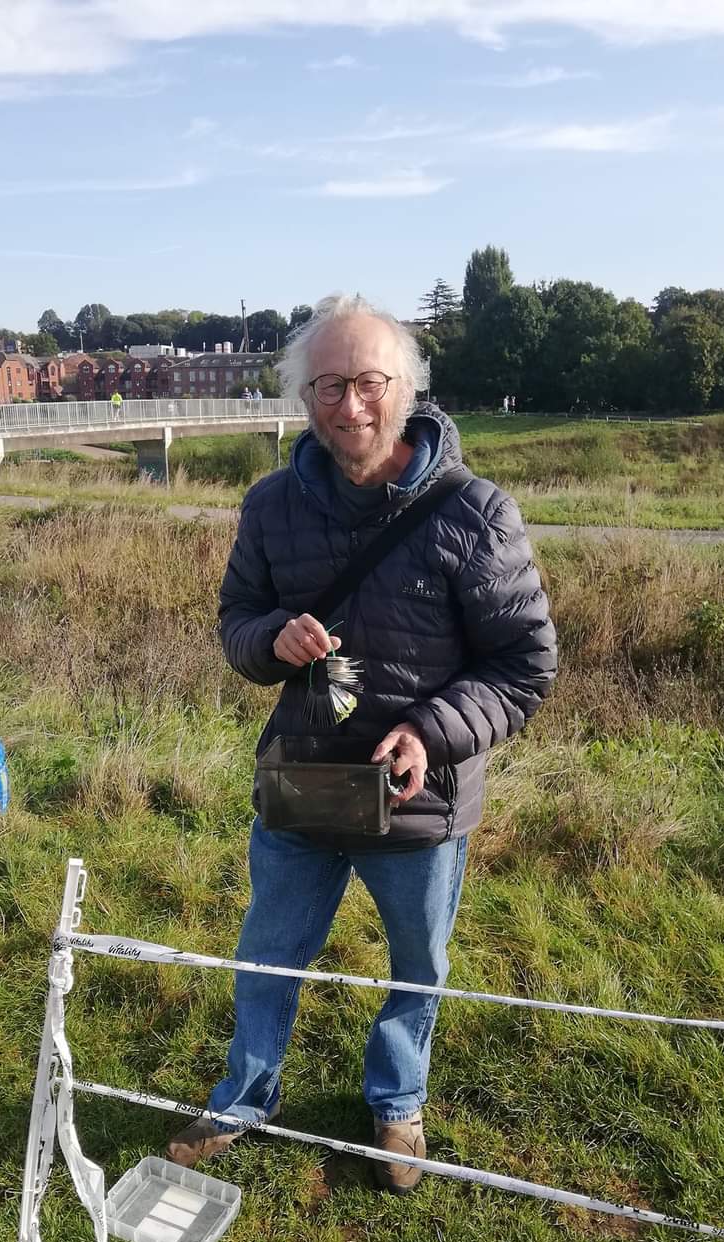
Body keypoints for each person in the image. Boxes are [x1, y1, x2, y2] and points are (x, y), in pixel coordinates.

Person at [166, 293, 557, 1195]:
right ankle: (243, 1097)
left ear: (408, 390)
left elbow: (524, 665)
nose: (349, 406)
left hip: (419, 803)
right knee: (267, 955)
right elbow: (236, 622)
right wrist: (271, 641)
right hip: (301, 790)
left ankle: (397, 1100)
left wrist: (431, 732)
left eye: (369, 383)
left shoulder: (476, 513)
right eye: (328, 386)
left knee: (418, 966)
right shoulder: (269, 507)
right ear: (303, 395)